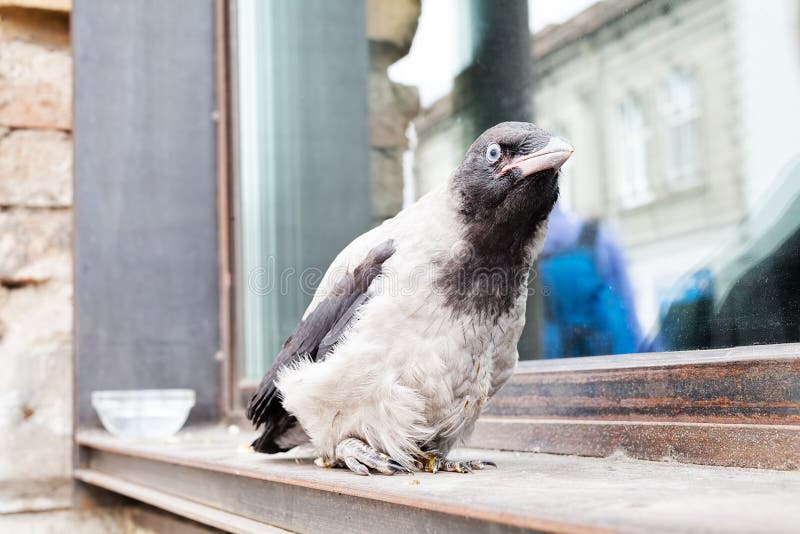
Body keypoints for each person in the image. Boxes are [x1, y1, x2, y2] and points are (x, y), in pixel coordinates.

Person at [538, 204, 642, 358]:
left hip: (551, 362)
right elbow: (628, 307)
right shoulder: (599, 238)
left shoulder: (515, 250)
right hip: (607, 357)